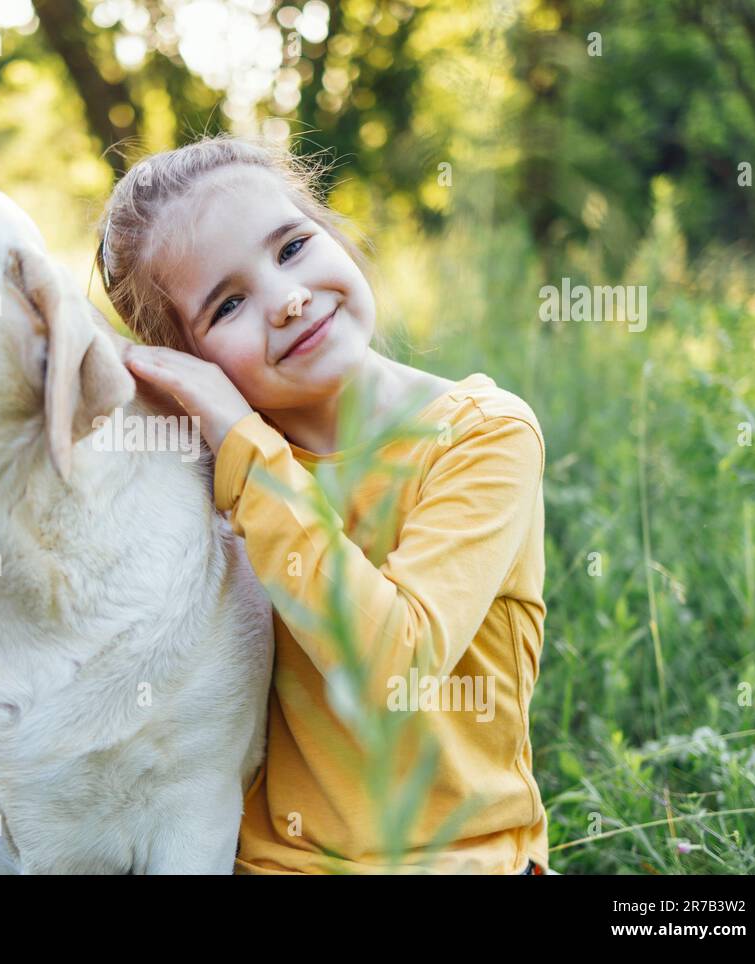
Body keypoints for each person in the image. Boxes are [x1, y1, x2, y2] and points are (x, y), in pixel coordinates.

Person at [94, 134, 549, 874]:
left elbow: (393, 668)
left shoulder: (481, 437)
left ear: (335, 230)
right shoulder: (203, 474)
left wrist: (242, 443)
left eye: (294, 246)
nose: (288, 298)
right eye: (229, 304)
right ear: (189, 367)